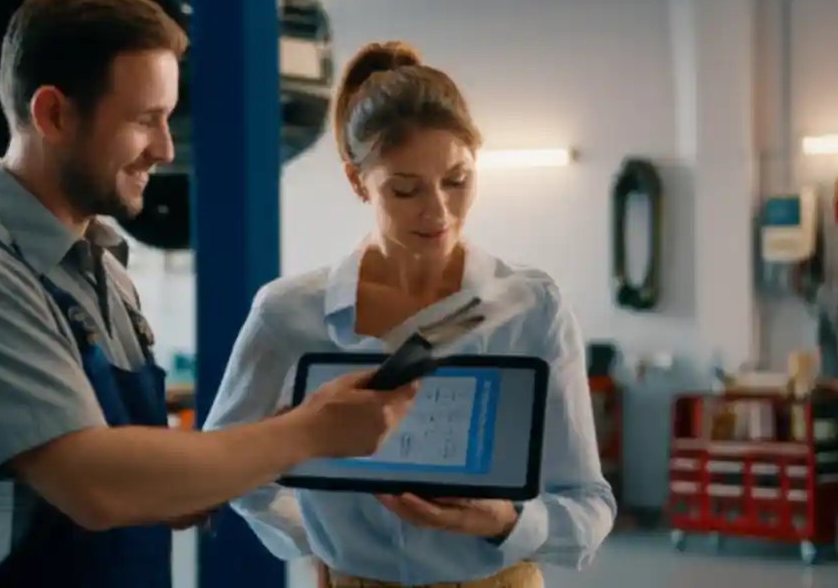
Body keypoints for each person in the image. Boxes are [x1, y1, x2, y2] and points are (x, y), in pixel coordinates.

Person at [0, 0, 419, 588]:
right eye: (144, 120)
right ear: (52, 114)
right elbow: (94, 484)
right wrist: (309, 430)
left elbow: (144, 480)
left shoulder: (102, 268)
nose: (163, 148)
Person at [203, 41, 617, 588]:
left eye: (457, 180)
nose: (438, 211)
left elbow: (588, 504)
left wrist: (507, 521)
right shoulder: (288, 315)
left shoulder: (529, 307)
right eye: (405, 190)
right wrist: (321, 533)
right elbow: (225, 464)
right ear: (358, 181)